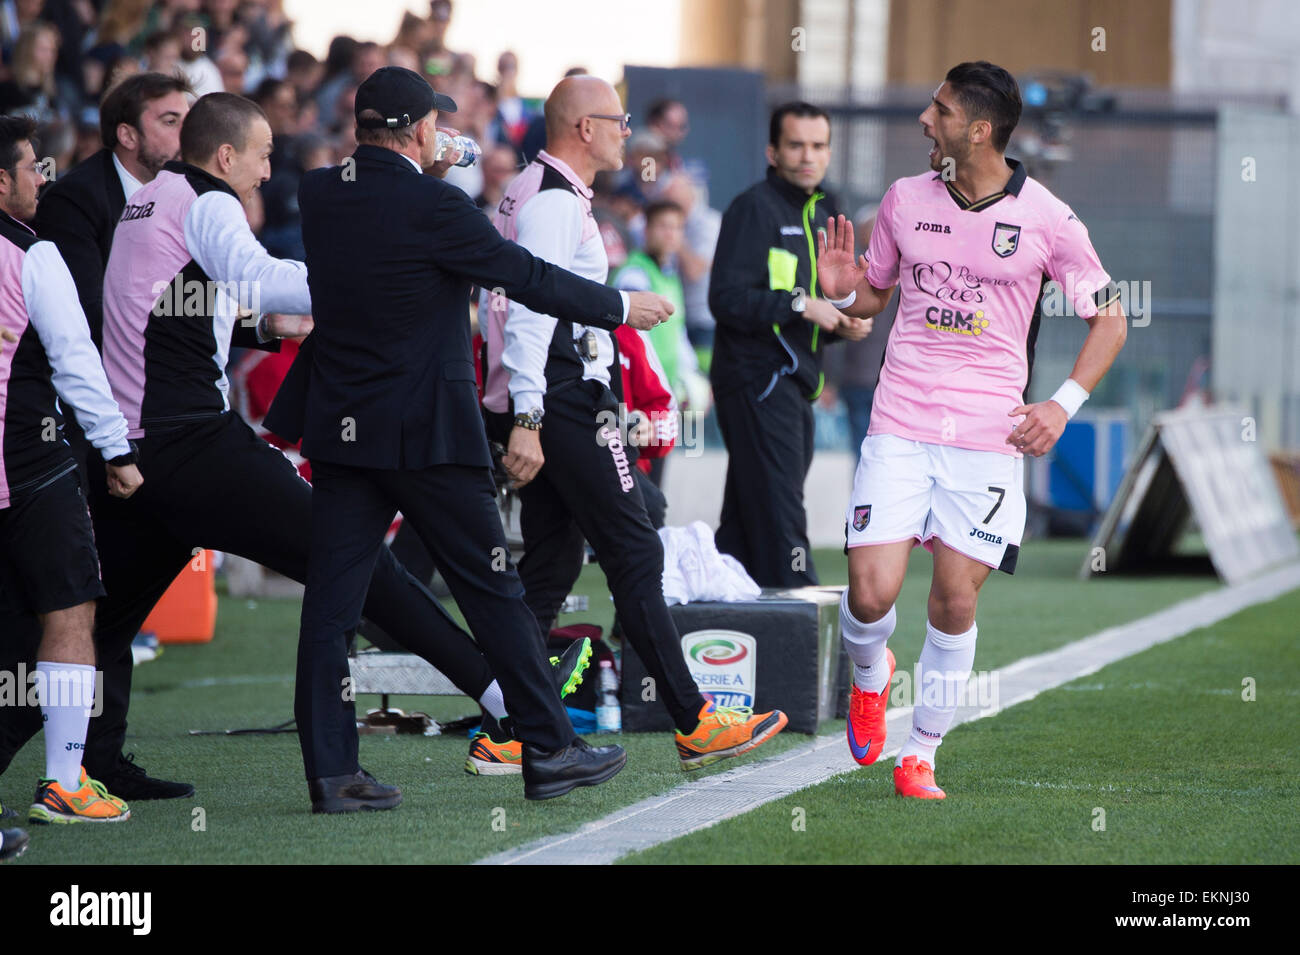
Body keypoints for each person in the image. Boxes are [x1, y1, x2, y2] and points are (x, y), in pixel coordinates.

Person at [20, 91, 581, 815]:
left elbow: (156, 308)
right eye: (260, 156)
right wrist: (364, 281)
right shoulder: (210, 200)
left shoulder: (147, 199)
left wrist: (263, 327)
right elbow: (255, 274)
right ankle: (501, 696)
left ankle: (83, 763)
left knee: (94, 619)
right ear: (226, 156)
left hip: (137, 451)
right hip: (195, 446)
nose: (266, 171)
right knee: (354, 562)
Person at [280, 67, 682, 807]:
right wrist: (620, 305)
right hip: (428, 433)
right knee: (495, 591)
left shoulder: (320, 191)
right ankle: (551, 748)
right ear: (422, 130)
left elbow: (377, 212)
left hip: (344, 431)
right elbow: (529, 278)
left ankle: (333, 772)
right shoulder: (437, 204)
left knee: (330, 606)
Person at [817, 61, 1127, 799]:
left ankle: (920, 751)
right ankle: (870, 673)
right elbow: (875, 291)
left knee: (954, 600)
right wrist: (843, 290)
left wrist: (1060, 404)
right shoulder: (902, 199)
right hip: (901, 419)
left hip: (988, 438)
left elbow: (1110, 317)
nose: (926, 120)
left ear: (978, 130)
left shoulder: (1050, 218)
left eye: (941, 109)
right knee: (869, 594)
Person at [481, 74, 789, 772]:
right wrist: (529, 414)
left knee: (553, 562)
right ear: (582, 128)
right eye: (617, 120)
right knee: (637, 550)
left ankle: (509, 725)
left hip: (547, 398)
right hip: (562, 401)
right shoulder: (554, 202)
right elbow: (530, 311)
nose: (628, 131)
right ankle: (695, 720)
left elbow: (531, 302)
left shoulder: (537, 192)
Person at [0, 116, 140, 825]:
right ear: (1, 181)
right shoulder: (34, 255)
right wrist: (116, 450)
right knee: (68, 609)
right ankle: (64, 781)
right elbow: (76, 359)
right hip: (28, 461)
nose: (43, 179)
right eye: (32, 167)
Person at [708, 101, 872, 588]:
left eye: (818, 146)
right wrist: (804, 305)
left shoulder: (830, 209)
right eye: (796, 145)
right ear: (773, 152)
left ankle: (678, 612)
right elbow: (727, 299)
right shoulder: (752, 208)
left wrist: (842, 322)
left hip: (797, 384)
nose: (808, 156)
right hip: (756, 381)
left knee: (744, 523)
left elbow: (826, 304)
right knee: (781, 517)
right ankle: (809, 640)